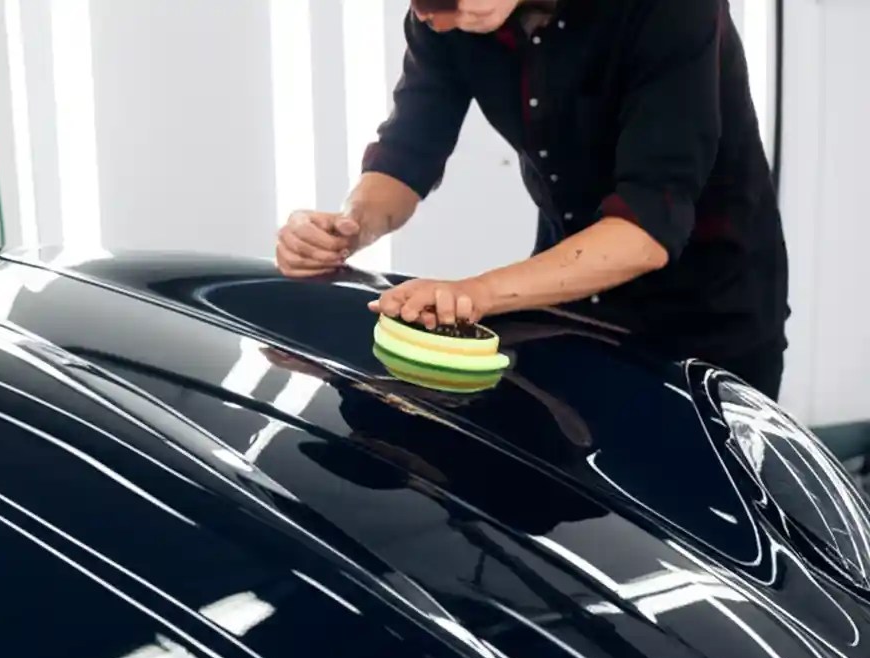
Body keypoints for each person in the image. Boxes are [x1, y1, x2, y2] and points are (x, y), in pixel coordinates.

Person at [274, 0, 790, 399]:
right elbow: (407, 153)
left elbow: (648, 226)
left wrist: (475, 294)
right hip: (570, 301)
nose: (430, 16)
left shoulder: (669, 9)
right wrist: (348, 228)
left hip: (711, 316)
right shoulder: (445, 15)